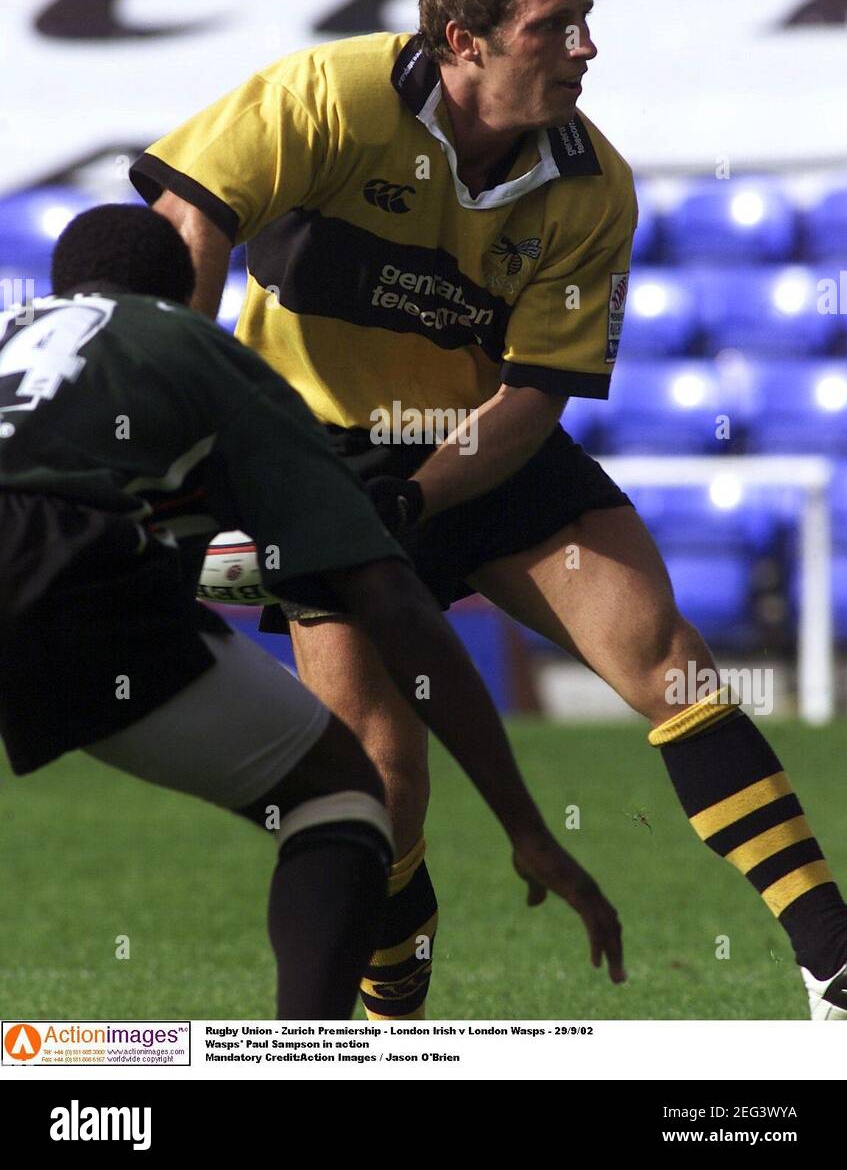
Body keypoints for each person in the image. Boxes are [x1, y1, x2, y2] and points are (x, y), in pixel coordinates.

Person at [130, 0, 847, 1021]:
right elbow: (190, 220)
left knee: (672, 663)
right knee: (381, 787)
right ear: (462, 40)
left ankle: (833, 961)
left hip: (481, 458)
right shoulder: (324, 97)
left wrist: (416, 491)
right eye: (553, 27)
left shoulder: (591, 184)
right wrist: (183, 416)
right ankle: (389, 987)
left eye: (586, 21)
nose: (584, 48)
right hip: (323, 461)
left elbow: (532, 399)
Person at [0, 203, 624, 1020]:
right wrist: (524, 825)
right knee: (335, 798)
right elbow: (386, 594)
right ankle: (305, 1063)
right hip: (58, 567)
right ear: (188, 283)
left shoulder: (14, 330)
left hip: (50, 551)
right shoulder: (199, 349)